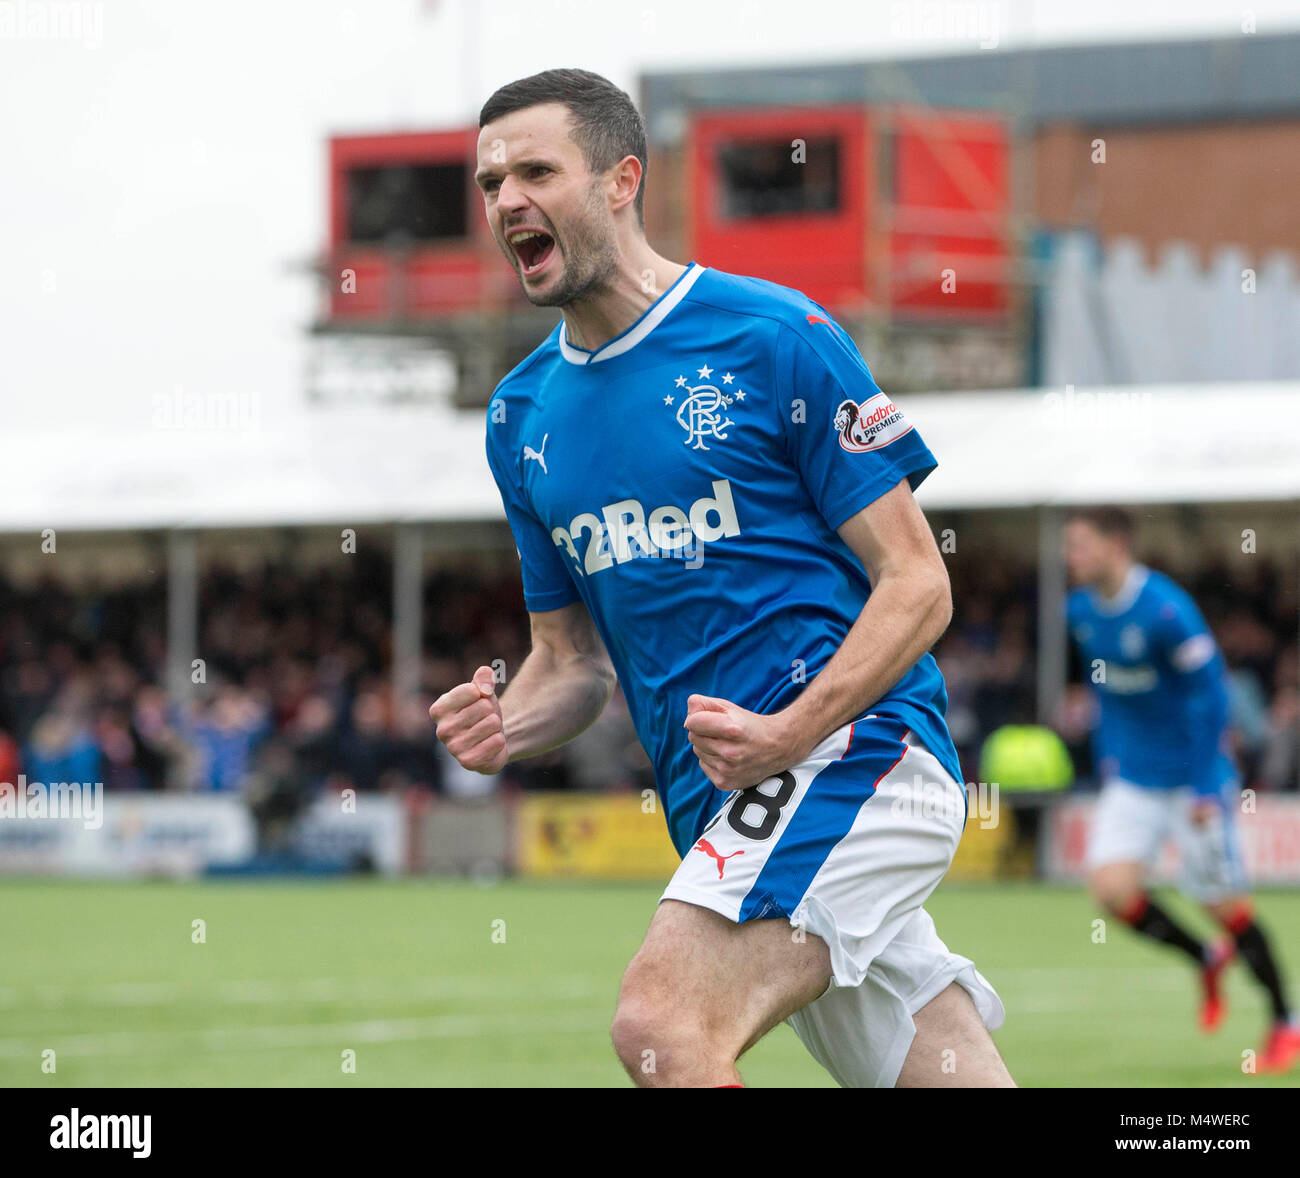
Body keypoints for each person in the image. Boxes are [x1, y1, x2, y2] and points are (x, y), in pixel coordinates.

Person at [431, 68, 1010, 1088]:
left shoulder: (773, 336)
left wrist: (793, 728)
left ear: (621, 180)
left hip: (851, 758)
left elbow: (919, 583)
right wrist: (508, 722)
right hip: (727, 807)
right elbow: (570, 661)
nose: (504, 201)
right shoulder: (519, 416)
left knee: (659, 1023)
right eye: (488, 183)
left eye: (534, 170)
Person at [1064, 506, 1300, 1073]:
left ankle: (1286, 1023)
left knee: (1223, 904)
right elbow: (1110, 696)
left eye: (1081, 545)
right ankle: (1205, 959)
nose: (1072, 558)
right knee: (1112, 891)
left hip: (1194, 780)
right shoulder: (1078, 611)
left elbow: (1213, 695)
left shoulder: (1166, 610)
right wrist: (1111, 760)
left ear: (1116, 545)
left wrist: (1202, 785)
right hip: (1136, 779)